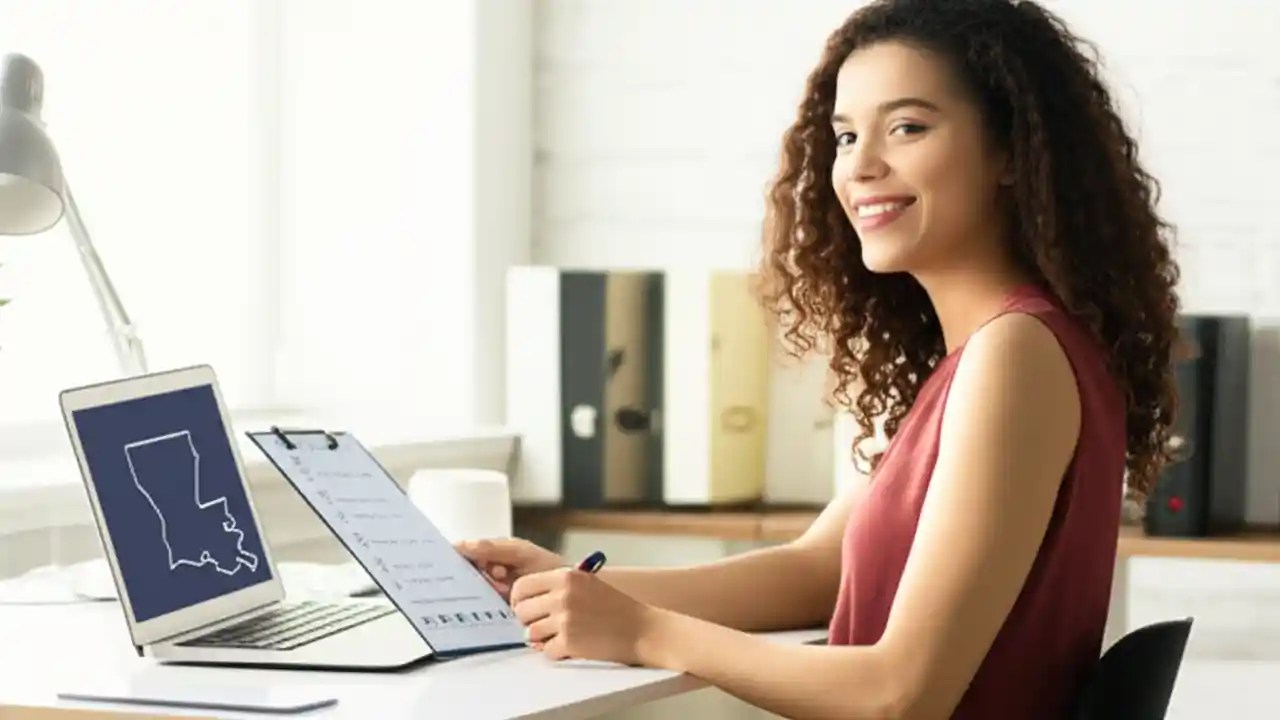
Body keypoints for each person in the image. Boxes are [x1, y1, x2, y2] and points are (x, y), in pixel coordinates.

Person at [459, 0, 1182, 717]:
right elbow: (812, 572)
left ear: (1009, 153)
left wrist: (645, 632)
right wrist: (569, 585)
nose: (861, 166)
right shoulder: (986, 356)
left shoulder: (1016, 356)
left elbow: (903, 694)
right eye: (843, 136)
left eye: (907, 127)